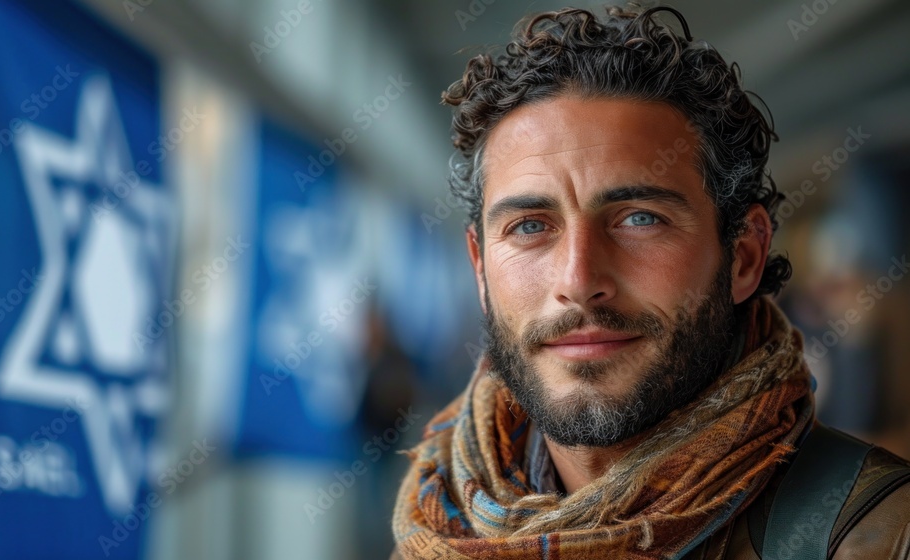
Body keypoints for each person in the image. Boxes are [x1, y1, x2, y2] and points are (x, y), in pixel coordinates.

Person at [390, 5, 910, 559]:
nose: (578, 280)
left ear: (744, 256)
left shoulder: (878, 535)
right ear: (480, 269)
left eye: (640, 219)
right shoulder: (437, 525)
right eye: (530, 227)